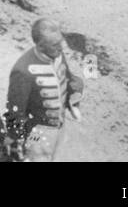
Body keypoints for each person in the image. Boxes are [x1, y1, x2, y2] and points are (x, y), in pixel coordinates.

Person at [6, 18, 83, 162]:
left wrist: (74, 100)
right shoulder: (23, 71)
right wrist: (17, 143)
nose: (61, 48)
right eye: (55, 45)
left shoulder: (56, 53)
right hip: (37, 133)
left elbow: (69, 78)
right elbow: (15, 111)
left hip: (59, 127)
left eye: (60, 42)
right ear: (41, 46)